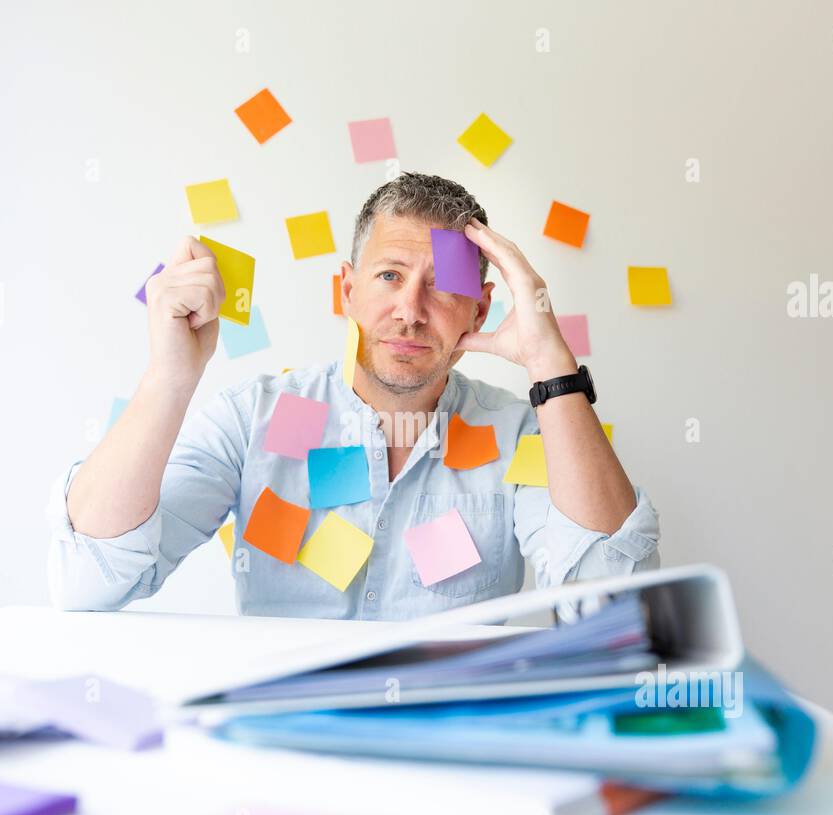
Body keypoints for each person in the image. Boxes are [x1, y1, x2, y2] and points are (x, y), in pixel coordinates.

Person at [46, 172, 659, 619]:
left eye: (443, 285)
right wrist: (169, 376)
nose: (411, 311)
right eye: (389, 275)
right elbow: (87, 583)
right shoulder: (253, 418)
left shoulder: (523, 433)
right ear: (346, 291)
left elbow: (613, 606)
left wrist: (552, 365)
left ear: (481, 308)